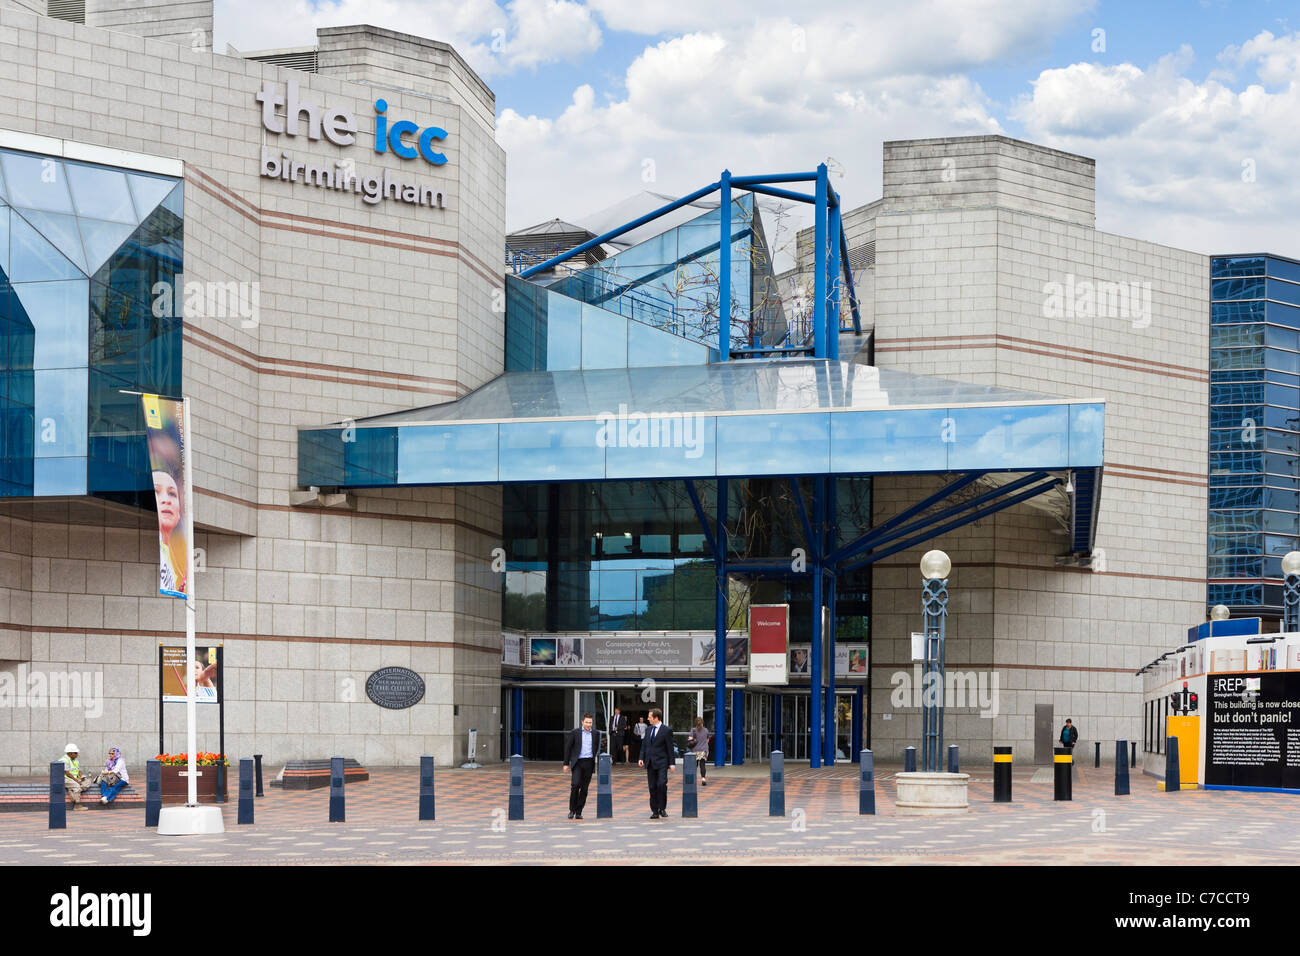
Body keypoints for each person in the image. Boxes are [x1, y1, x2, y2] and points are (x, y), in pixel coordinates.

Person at [562, 713, 602, 820]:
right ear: (582, 722)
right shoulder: (575, 733)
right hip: (578, 763)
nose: (589, 724)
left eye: (590, 722)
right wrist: (566, 763)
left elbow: (596, 747)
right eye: (587, 722)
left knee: (584, 789)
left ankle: (579, 811)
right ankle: (572, 810)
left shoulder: (596, 733)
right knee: (575, 785)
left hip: (589, 763)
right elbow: (568, 748)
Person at [638, 708, 674, 819]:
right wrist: (641, 758)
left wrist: (672, 763)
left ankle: (662, 808)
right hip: (650, 763)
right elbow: (644, 745)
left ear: (656, 718)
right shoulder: (648, 730)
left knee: (661, 785)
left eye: (650, 717)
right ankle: (654, 811)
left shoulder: (666, 730)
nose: (648, 719)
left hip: (662, 762)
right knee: (652, 787)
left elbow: (670, 748)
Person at [60, 744, 95, 811]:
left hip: (74, 779)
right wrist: (76, 781)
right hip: (66, 779)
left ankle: (72, 790)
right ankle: (77, 805)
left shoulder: (75, 760)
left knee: (88, 781)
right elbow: (67, 773)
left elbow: (78, 771)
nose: (77, 754)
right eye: (75, 753)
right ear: (70, 753)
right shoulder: (64, 760)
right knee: (76, 786)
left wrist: (81, 777)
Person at [687, 716, 709, 786]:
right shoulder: (706, 730)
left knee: (694, 765)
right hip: (703, 750)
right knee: (702, 765)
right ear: (702, 722)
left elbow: (690, 740)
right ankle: (703, 779)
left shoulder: (693, 730)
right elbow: (707, 740)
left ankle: (692, 779)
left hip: (695, 750)